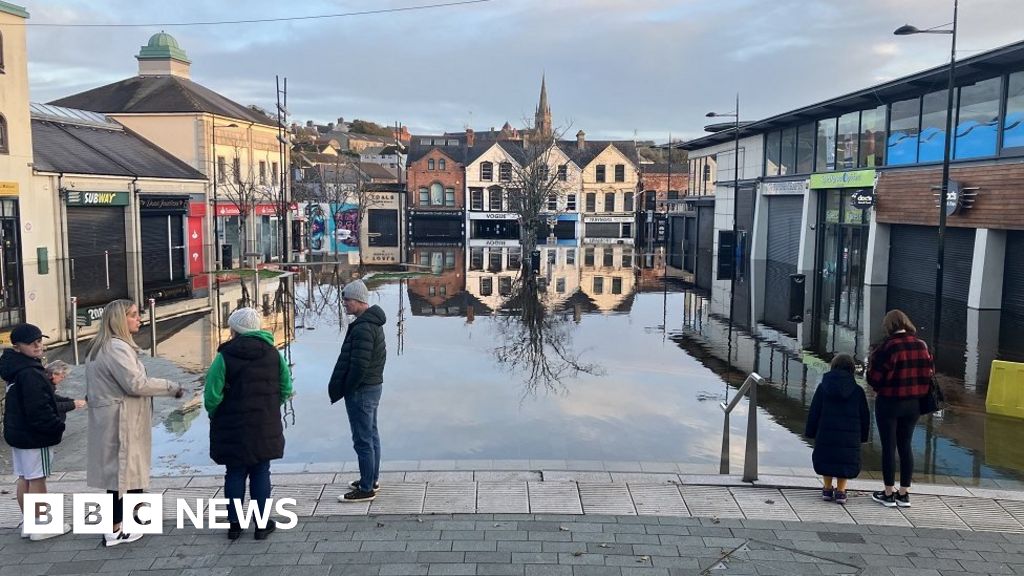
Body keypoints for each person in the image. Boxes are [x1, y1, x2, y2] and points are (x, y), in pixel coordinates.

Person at [85, 300, 184, 547]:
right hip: (123, 419)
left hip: (110, 418)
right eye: (132, 315)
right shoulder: (116, 348)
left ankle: (121, 524)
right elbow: (136, 384)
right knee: (126, 473)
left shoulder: (97, 347)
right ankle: (121, 528)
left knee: (119, 475)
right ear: (119, 320)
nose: (138, 318)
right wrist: (170, 387)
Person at [205, 307, 293, 540]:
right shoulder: (274, 354)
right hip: (264, 424)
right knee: (261, 471)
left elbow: (211, 395)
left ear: (235, 330)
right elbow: (286, 389)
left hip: (232, 425)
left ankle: (235, 525)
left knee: (234, 472)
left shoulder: (224, 357)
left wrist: (217, 414)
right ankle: (262, 525)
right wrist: (270, 407)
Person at [2, 324, 78, 540]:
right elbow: (39, 408)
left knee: (24, 478)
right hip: (34, 436)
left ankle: (29, 522)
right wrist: (56, 426)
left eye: (39, 340)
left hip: (18, 435)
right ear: (17, 347)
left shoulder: (15, 369)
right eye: (31, 343)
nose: (38, 346)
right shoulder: (31, 373)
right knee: (37, 479)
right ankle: (41, 525)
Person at [867, 309, 934, 508]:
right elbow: (929, 374)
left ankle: (888, 493)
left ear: (888, 326)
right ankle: (904, 493)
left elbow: (875, 378)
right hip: (914, 404)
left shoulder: (886, 347)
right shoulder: (922, 345)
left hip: (889, 403)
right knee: (906, 445)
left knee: (889, 446)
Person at [328, 279, 387, 503]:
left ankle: (366, 489)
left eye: (347, 300)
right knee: (371, 435)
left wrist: (348, 387)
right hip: (373, 386)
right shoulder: (372, 323)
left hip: (362, 390)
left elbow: (359, 365)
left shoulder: (363, 328)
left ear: (359, 301)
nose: (345, 304)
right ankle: (371, 479)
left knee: (362, 439)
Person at [804, 353, 870, 505]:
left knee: (827, 458)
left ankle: (827, 488)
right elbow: (864, 416)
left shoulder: (823, 388)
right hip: (849, 436)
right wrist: (863, 437)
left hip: (826, 433)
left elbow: (814, 411)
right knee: (844, 461)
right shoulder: (857, 391)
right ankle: (841, 491)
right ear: (852, 369)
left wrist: (811, 432)